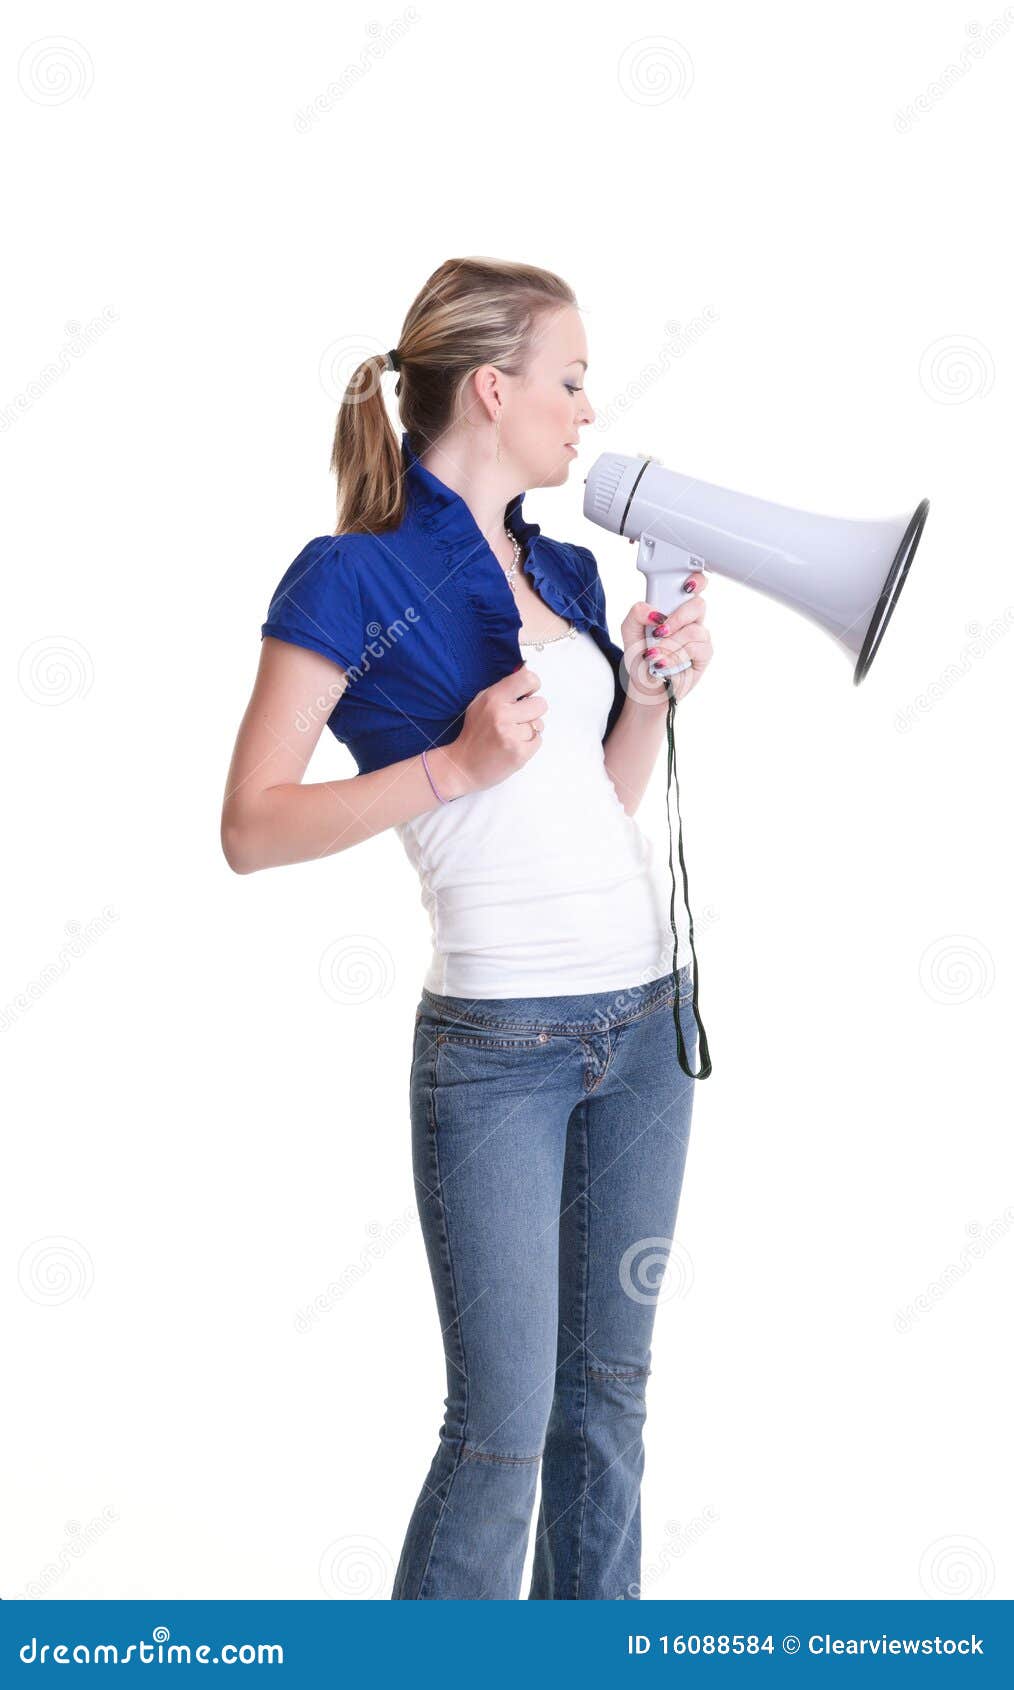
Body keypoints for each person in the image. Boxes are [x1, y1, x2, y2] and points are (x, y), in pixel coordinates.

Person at [220, 257, 713, 1599]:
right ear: (492, 389)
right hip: (500, 1048)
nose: (587, 407)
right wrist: (449, 765)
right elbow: (251, 827)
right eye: (567, 377)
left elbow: (591, 810)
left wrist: (652, 699)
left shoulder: (558, 567)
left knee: (604, 1409)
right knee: (499, 1435)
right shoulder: (347, 577)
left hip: (645, 1026)